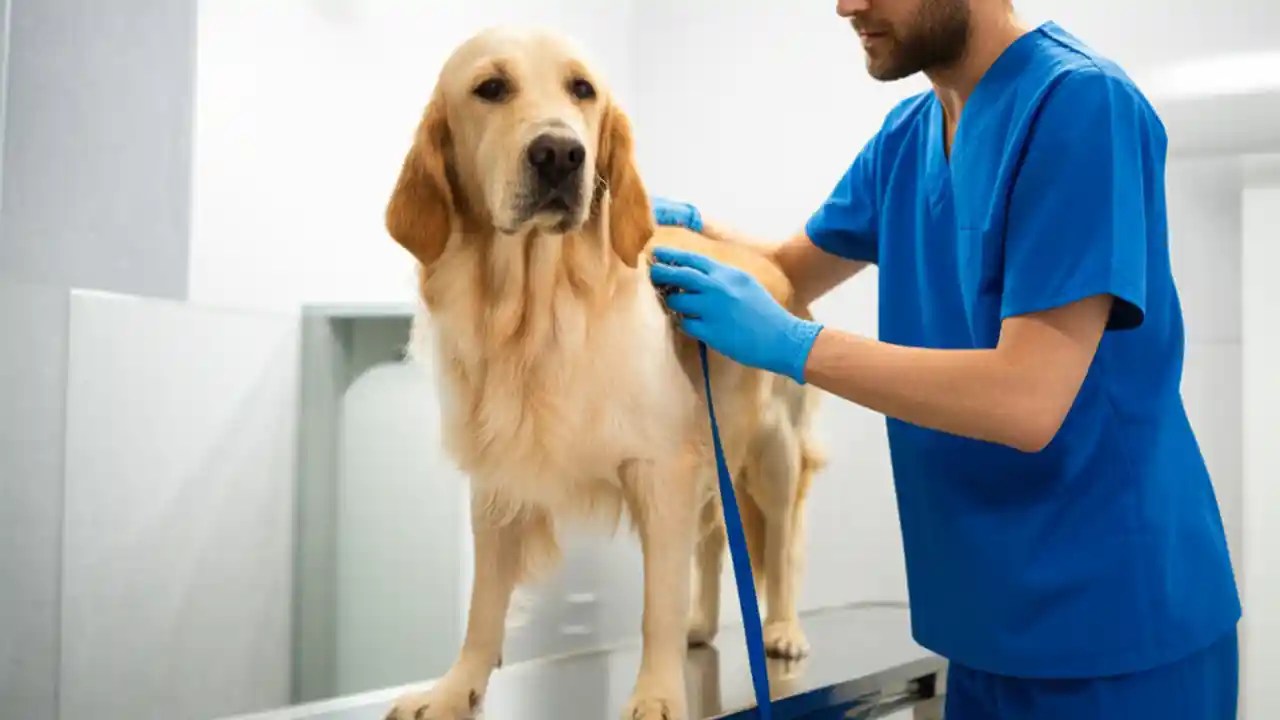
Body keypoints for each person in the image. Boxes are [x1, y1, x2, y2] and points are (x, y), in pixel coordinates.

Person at [646, 1, 1242, 718]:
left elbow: (1026, 400)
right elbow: (786, 272)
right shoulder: (907, 139)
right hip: (983, 633)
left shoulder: (1081, 107)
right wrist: (695, 234)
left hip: (1114, 636)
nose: (846, 5)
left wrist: (793, 345)